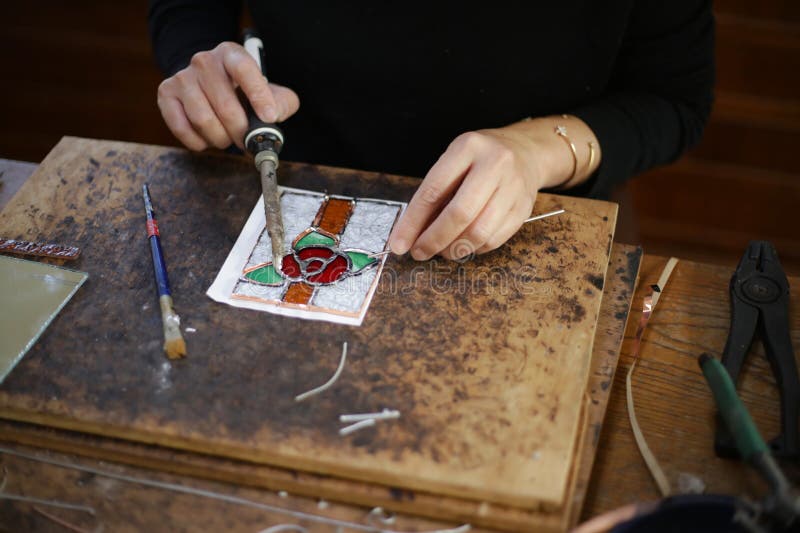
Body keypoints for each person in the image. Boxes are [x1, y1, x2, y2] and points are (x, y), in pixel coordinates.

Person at [148, 2, 714, 261]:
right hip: (292, 169)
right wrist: (198, 55)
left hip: (528, 217)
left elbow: (673, 100)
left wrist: (536, 149)